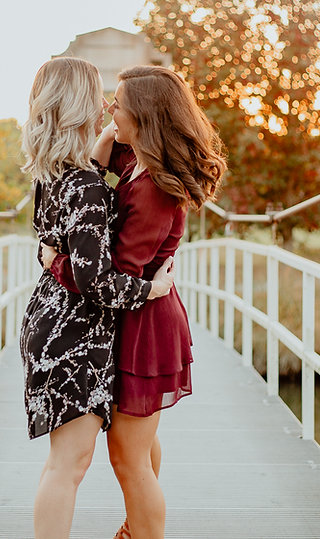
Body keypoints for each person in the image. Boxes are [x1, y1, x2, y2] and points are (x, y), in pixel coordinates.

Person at [41, 65, 227, 539]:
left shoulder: (153, 190)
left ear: (142, 115)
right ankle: (138, 521)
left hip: (144, 323)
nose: (108, 109)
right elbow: (88, 185)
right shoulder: (138, 161)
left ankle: (144, 527)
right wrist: (101, 158)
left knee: (128, 458)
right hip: (140, 313)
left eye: (118, 103)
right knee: (139, 449)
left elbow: (114, 277)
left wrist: (55, 262)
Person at [19, 57, 176, 539]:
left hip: (49, 320)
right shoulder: (86, 185)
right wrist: (152, 289)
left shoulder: (54, 173)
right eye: (101, 97)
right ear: (82, 106)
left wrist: (105, 151)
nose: (109, 106)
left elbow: (64, 242)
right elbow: (98, 282)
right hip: (75, 332)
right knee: (69, 464)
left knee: (70, 462)